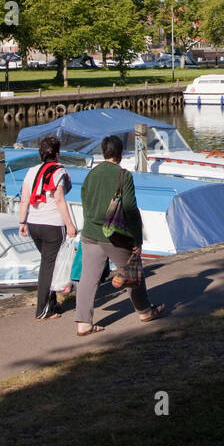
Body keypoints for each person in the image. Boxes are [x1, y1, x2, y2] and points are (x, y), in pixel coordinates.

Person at [74, 134, 165, 336]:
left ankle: (83, 323)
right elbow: (131, 209)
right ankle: (145, 311)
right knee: (133, 271)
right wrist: (137, 239)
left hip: (90, 233)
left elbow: (85, 202)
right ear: (121, 153)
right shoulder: (124, 176)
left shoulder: (91, 175)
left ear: (103, 152)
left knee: (88, 278)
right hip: (114, 235)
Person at [19, 135, 77, 320]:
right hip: (53, 224)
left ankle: (52, 304)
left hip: (34, 223)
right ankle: (43, 309)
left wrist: (22, 222)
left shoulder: (31, 171)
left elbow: (24, 199)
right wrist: (70, 224)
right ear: (58, 154)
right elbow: (59, 199)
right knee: (48, 267)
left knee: (48, 263)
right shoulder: (59, 171)